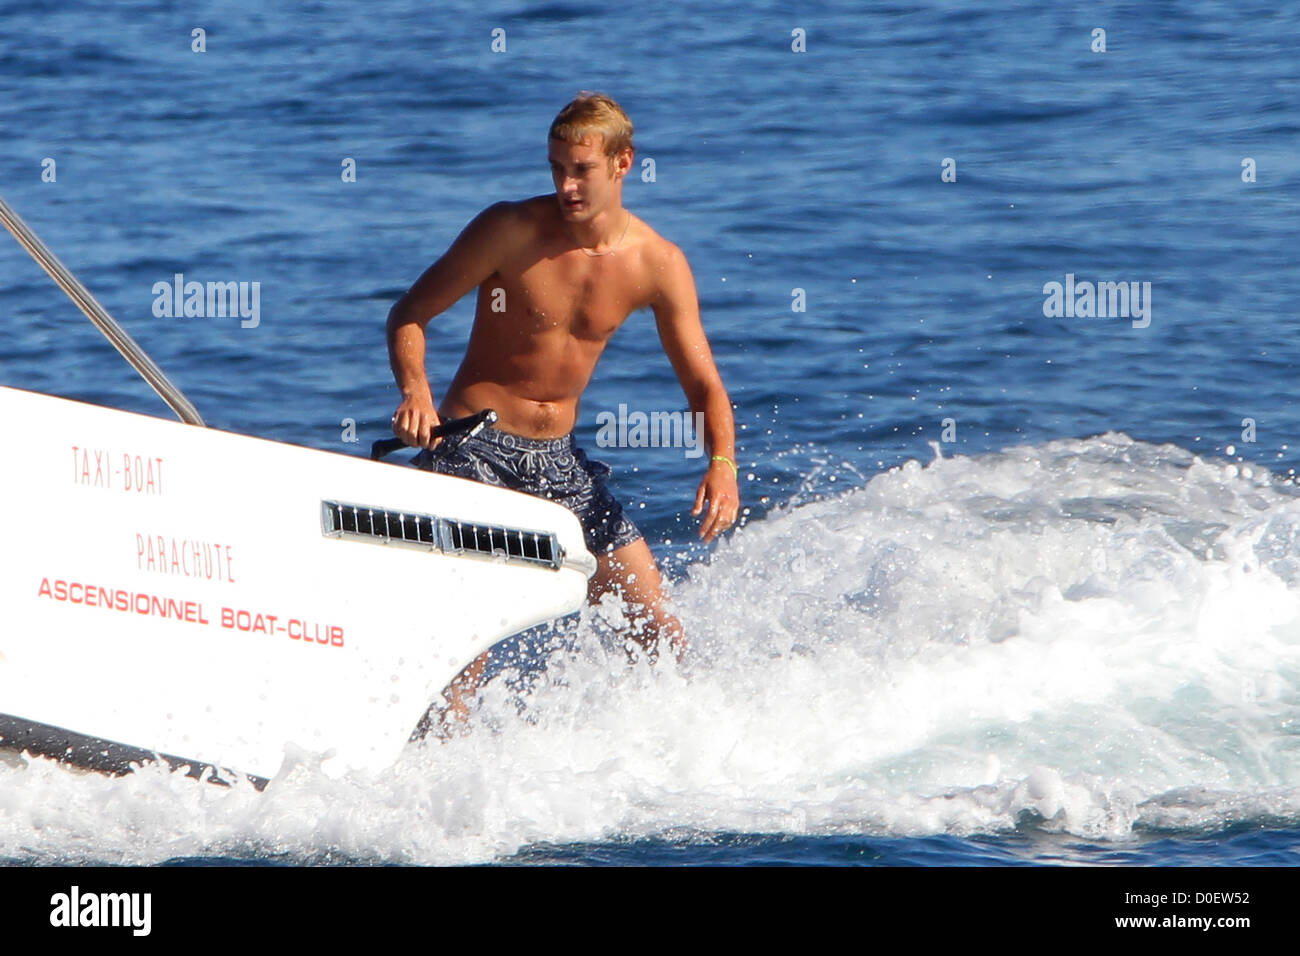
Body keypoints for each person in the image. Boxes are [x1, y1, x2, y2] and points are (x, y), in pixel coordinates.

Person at [386, 91, 739, 727]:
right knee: (470, 625)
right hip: (473, 445)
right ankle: (437, 760)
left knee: (655, 627)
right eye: (556, 169)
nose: (566, 185)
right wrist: (416, 390)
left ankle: (675, 751)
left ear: (624, 163)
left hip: (558, 461)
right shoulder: (509, 230)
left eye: (582, 170)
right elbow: (410, 314)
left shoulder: (657, 264)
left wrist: (722, 463)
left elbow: (704, 385)